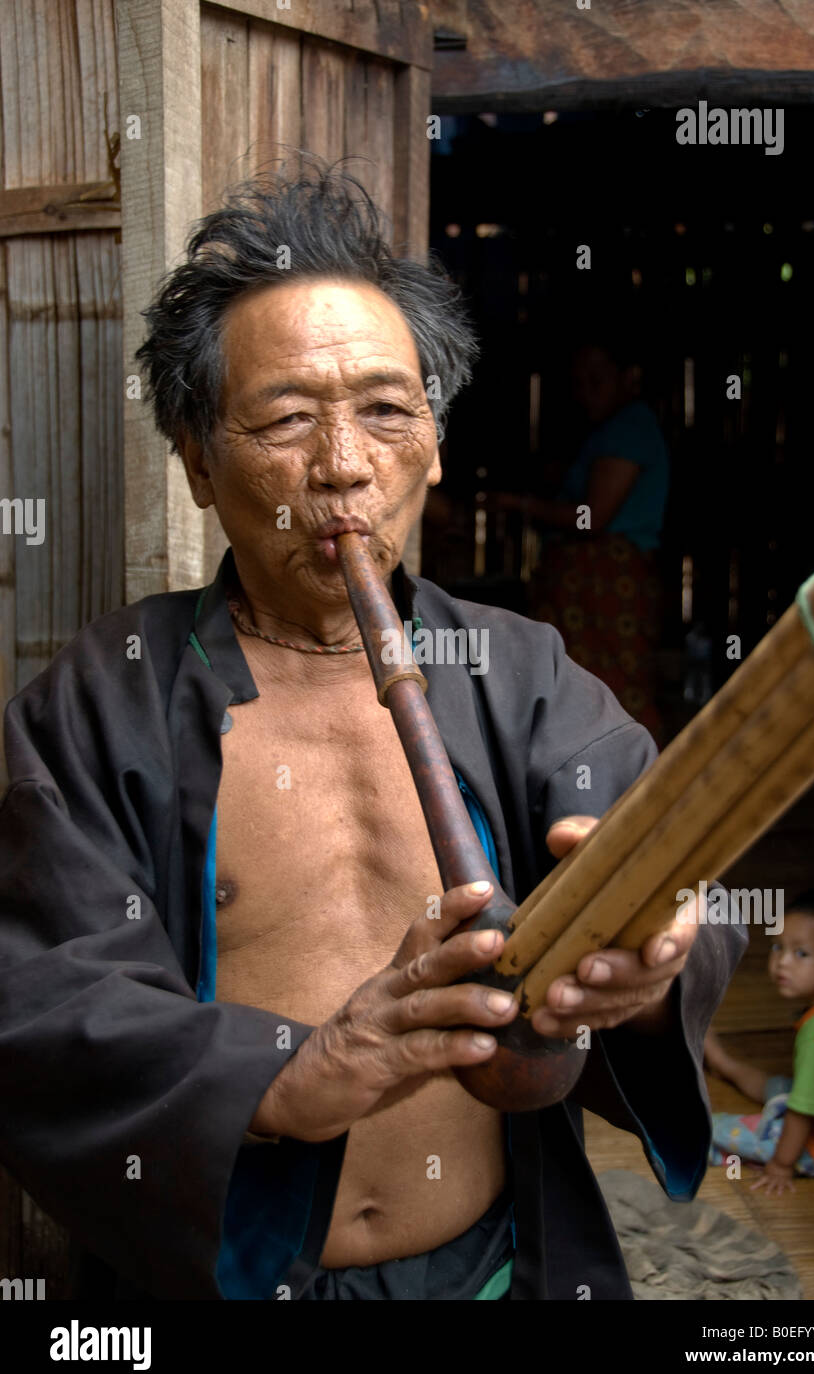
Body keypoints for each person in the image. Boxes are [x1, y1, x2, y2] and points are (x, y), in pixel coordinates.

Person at [0, 165, 745, 1301]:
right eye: (287, 418)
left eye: (387, 413)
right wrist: (300, 1071)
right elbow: (40, 1002)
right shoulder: (105, 701)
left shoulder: (521, 670)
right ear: (200, 462)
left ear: (434, 448)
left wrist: (642, 960)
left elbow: (676, 883)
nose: (342, 466)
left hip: (495, 1269)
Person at [492, 337, 670, 742]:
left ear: (630, 378)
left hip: (606, 583)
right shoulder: (607, 432)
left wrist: (518, 504)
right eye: (581, 382)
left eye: (598, 380)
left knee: (612, 687)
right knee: (579, 690)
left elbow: (591, 518)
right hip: (588, 583)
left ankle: (640, 791)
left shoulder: (631, 428)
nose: (586, 392)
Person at [705, 889, 814, 1194]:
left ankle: (722, 1148)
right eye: (777, 947)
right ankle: (722, 1064)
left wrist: (781, 1165)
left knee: (713, 1126)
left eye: (801, 954)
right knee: (778, 1087)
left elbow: (803, 1112)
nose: (782, 962)